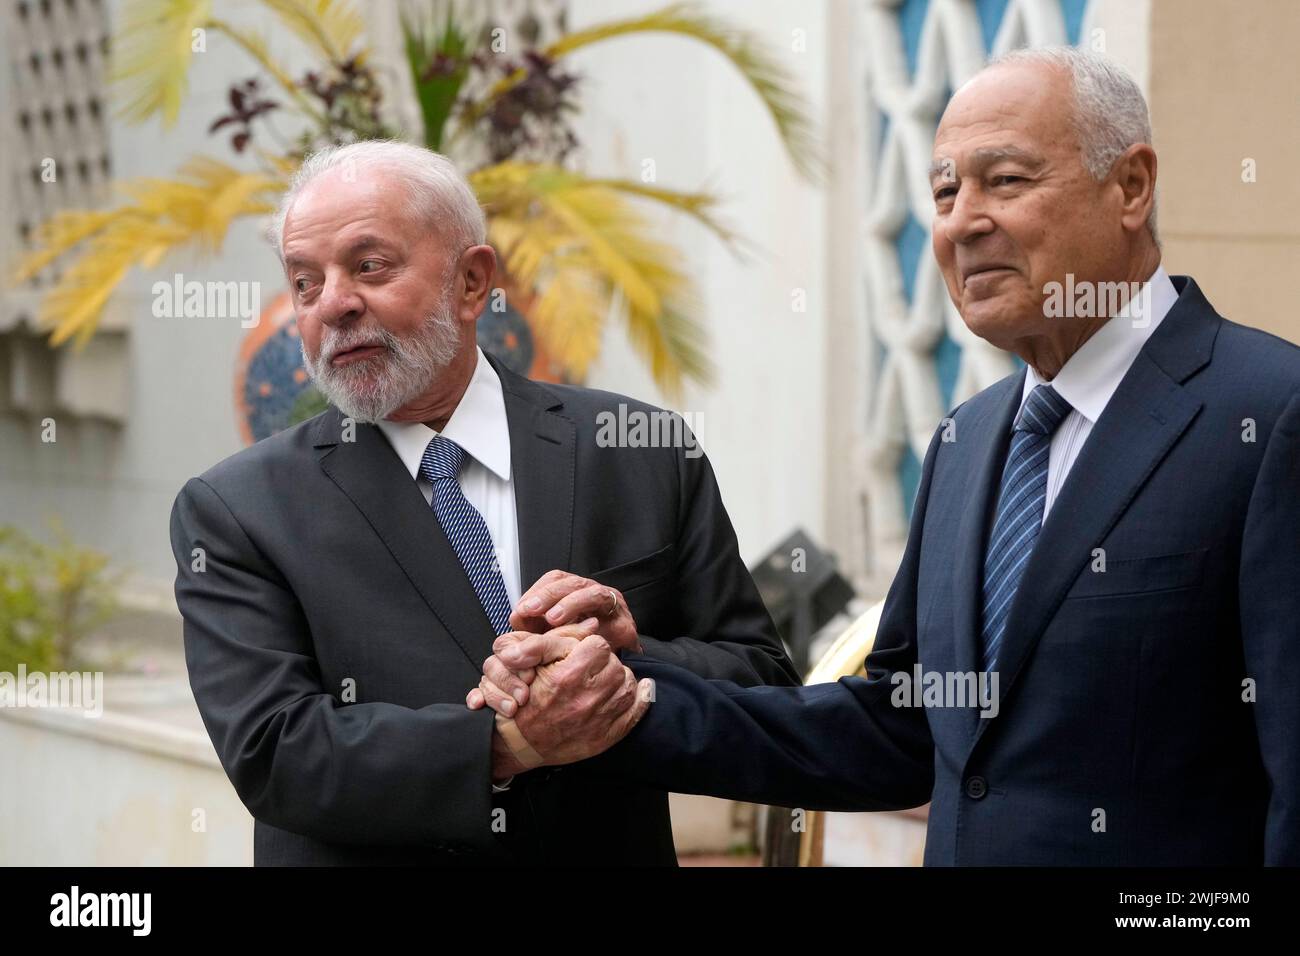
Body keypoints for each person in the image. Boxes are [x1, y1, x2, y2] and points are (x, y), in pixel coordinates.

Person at [472, 47, 1300, 866]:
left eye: (1006, 180)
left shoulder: (1268, 416)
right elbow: (897, 728)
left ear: (1131, 186)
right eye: (943, 192)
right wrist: (624, 695)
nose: (962, 222)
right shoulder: (967, 440)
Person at [168, 140, 799, 866]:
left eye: (369, 266)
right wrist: (508, 745)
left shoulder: (638, 450)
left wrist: (626, 665)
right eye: (304, 282)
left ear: (471, 283)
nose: (333, 304)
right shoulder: (238, 510)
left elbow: (763, 685)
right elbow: (275, 754)